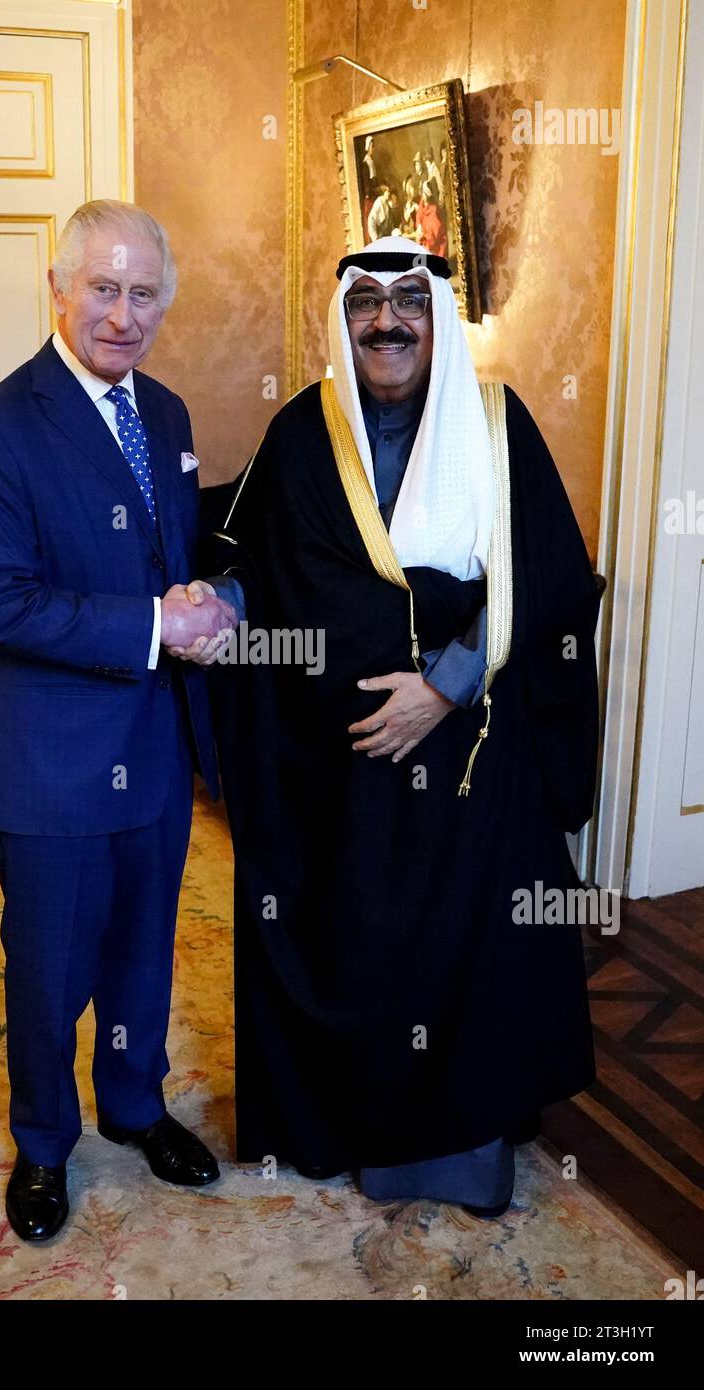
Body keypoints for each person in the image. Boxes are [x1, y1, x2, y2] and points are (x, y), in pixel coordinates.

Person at [205, 236, 601, 1217]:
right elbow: (254, 565)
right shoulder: (303, 430)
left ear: (438, 317)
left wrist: (446, 682)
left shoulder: (496, 426)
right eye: (367, 303)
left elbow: (548, 578)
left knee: (469, 949)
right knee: (359, 937)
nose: (386, 321)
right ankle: (356, 1127)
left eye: (408, 303)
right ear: (342, 318)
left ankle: (465, 1143)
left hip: (471, 754)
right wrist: (215, 605)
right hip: (340, 767)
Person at [0, 200, 237, 1242]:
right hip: (50, 758)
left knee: (142, 946)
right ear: (60, 288)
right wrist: (156, 624)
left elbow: (181, 559)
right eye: (103, 288)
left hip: (153, 746)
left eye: (142, 291)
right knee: (50, 962)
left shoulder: (165, 413)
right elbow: (3, 601)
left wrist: (211, 606)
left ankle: (135, 1103)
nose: (123, 313)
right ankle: (44, 1142)